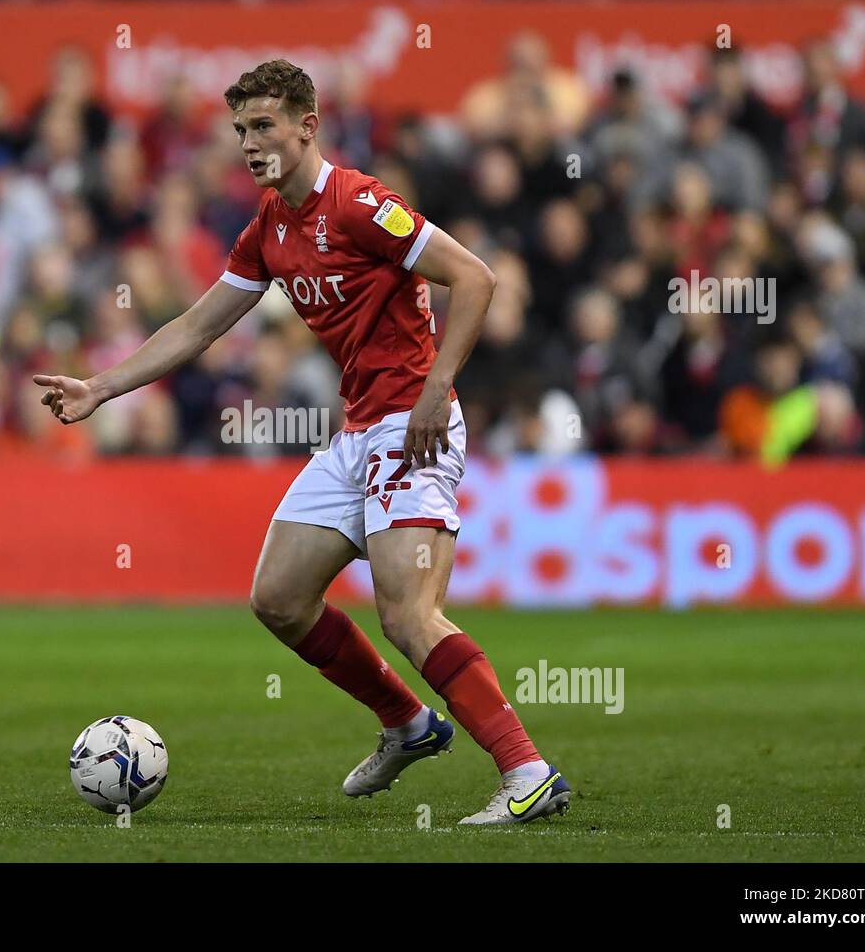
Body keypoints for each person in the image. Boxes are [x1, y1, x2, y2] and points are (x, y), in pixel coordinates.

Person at [32, 60, 571, 825]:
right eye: (240, 130)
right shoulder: (269, 228)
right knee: (279, 599)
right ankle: (409, 724)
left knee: (410, 615)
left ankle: (528, 772)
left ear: (306, 127)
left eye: (263, 127)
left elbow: (475, 277)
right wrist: (101, 387)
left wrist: (435, 387)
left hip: (410, 429)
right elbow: (197, 325)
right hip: (358, 432)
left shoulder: (359, 203)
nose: (249, 145)